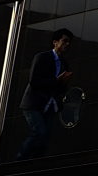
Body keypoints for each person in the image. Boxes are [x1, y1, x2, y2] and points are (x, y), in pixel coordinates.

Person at [16, 28, 76, 159]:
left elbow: (59, 88)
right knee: (39, 132)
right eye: (64, 41)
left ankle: (34, 162)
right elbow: (34, 81)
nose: (67, 44)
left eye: (69, 42)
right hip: (34, 103)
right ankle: (19, 159)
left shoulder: (64, 63)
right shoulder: (42, 57)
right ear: (55, 42)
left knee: (45, 137)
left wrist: (64, 83)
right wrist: (57, 80)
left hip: (50, 104)